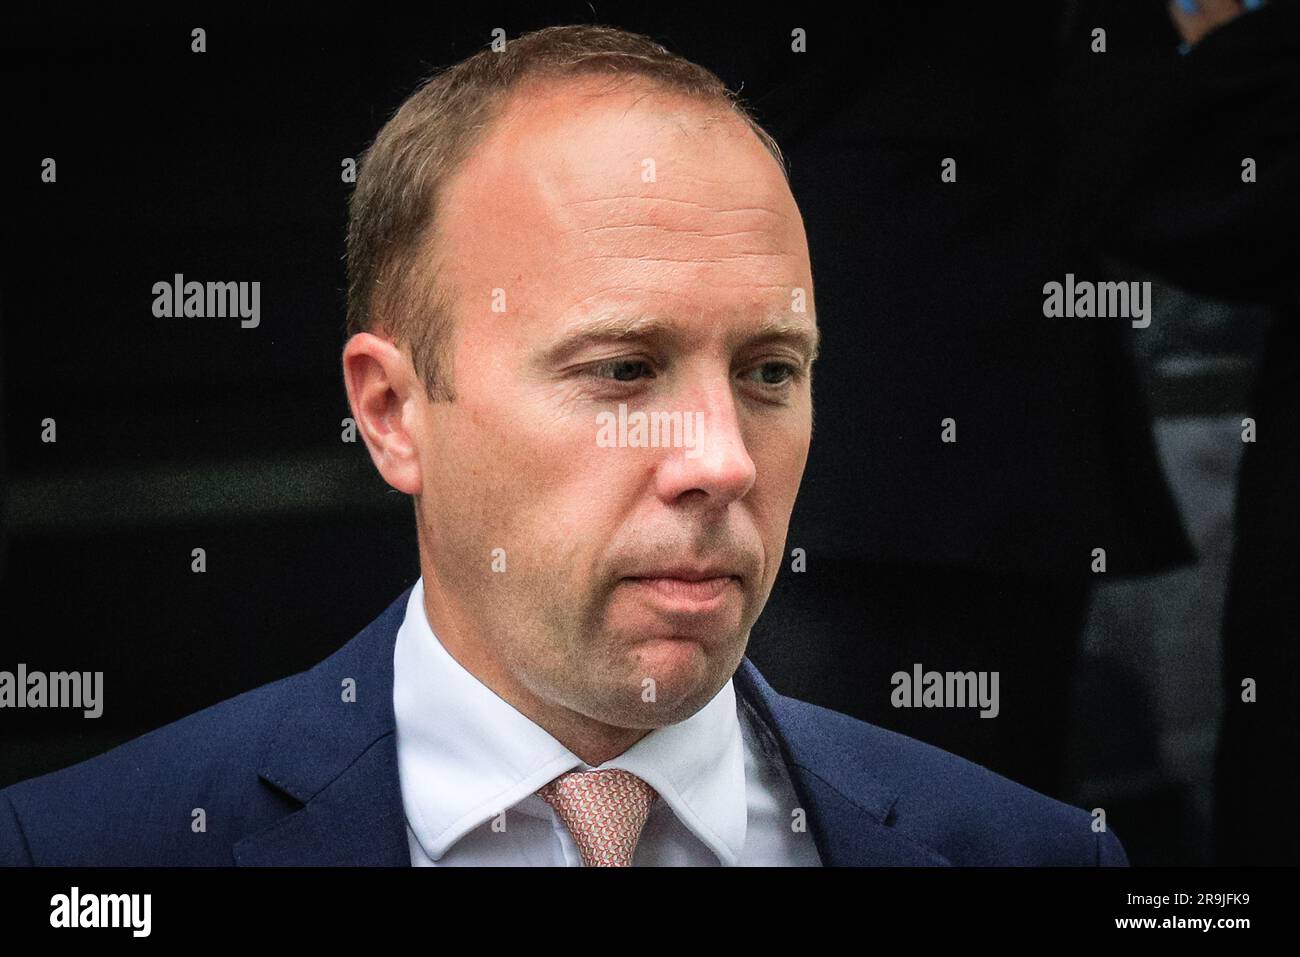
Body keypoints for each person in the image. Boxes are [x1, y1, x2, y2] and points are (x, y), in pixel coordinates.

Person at [0, 24, 1126, 867]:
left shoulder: (1027, 854)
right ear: (393, 413)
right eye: (621, 371)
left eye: (769, 371)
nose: (721, 460)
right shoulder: (86, 858)